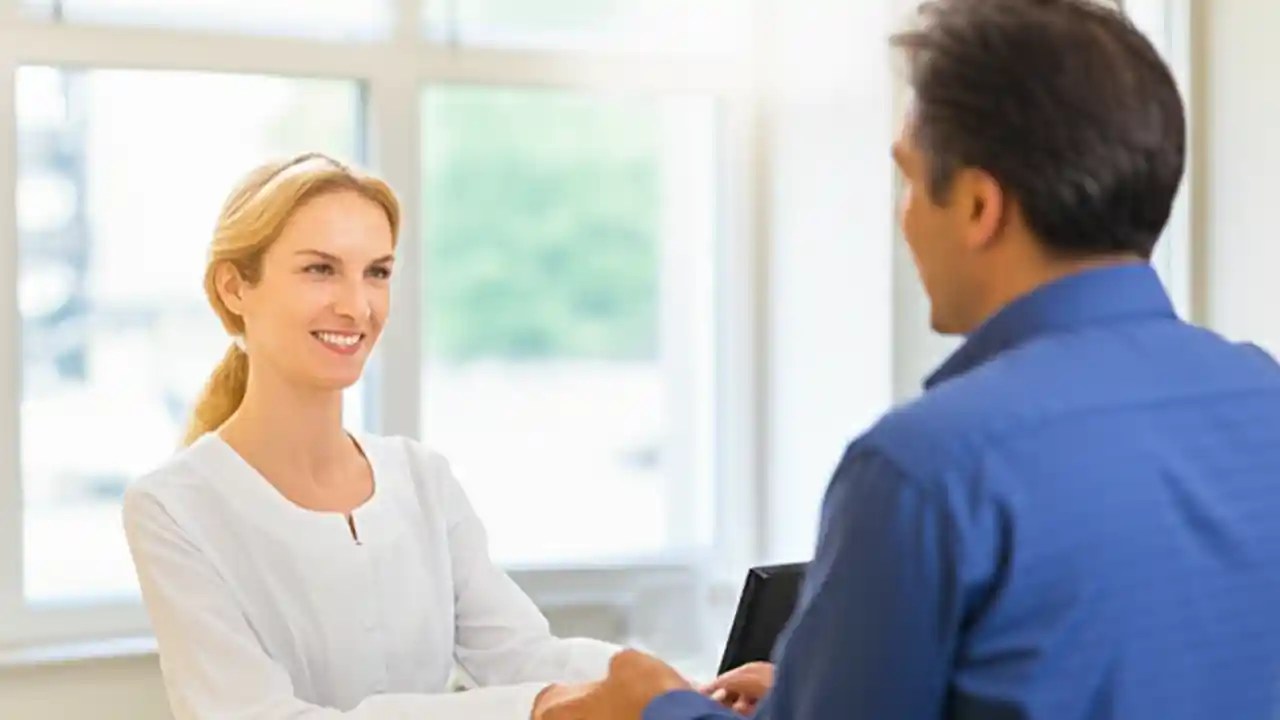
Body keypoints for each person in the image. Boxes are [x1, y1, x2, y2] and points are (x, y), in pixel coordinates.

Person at [540, 0, 1280, 718]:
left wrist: (652, 711)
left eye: (909, 178)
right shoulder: (1262, 397)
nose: (903, 218)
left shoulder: (928, 466)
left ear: (979, 208)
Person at [122, 153, 618, 719]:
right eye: (320, 270)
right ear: (234, 287)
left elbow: (525, 658)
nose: (357, 307)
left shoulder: (421, 479)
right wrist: (538, 709)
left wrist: (686, 689)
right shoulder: (174, 506)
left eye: (377, 273)